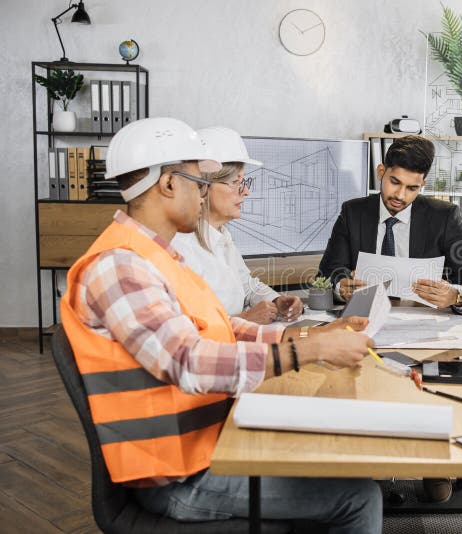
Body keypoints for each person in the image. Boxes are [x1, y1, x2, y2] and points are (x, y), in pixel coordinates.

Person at [59, 117, 382, 532]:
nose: (204, 194)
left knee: (330, 457)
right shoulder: (120, 265)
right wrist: (310, 351)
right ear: (168, 184)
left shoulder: (156, 256)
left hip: (210, 440)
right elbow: (188, 361)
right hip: (177, 473)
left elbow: (219, 327)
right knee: (358, 497)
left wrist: (303, 334)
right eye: (199, 182)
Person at [318, 134, 462, 315]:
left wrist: (456, 296)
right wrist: (340, 287)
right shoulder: (353, 212)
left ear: (422, 184)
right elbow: (327, 274)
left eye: (412, 188)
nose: (400, 195)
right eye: (395, 182)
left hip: (423, 322)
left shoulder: (444, 216)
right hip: (363, 318)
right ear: (381, 172)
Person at [171, 126, 303, 325]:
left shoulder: (221, 234)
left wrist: (276, 300)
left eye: (245, 181)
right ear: (203, 185)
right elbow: (184, 327)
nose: (246, 191)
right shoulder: (179, 247)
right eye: (235, 182)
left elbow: (246, 284)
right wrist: (242, 319)